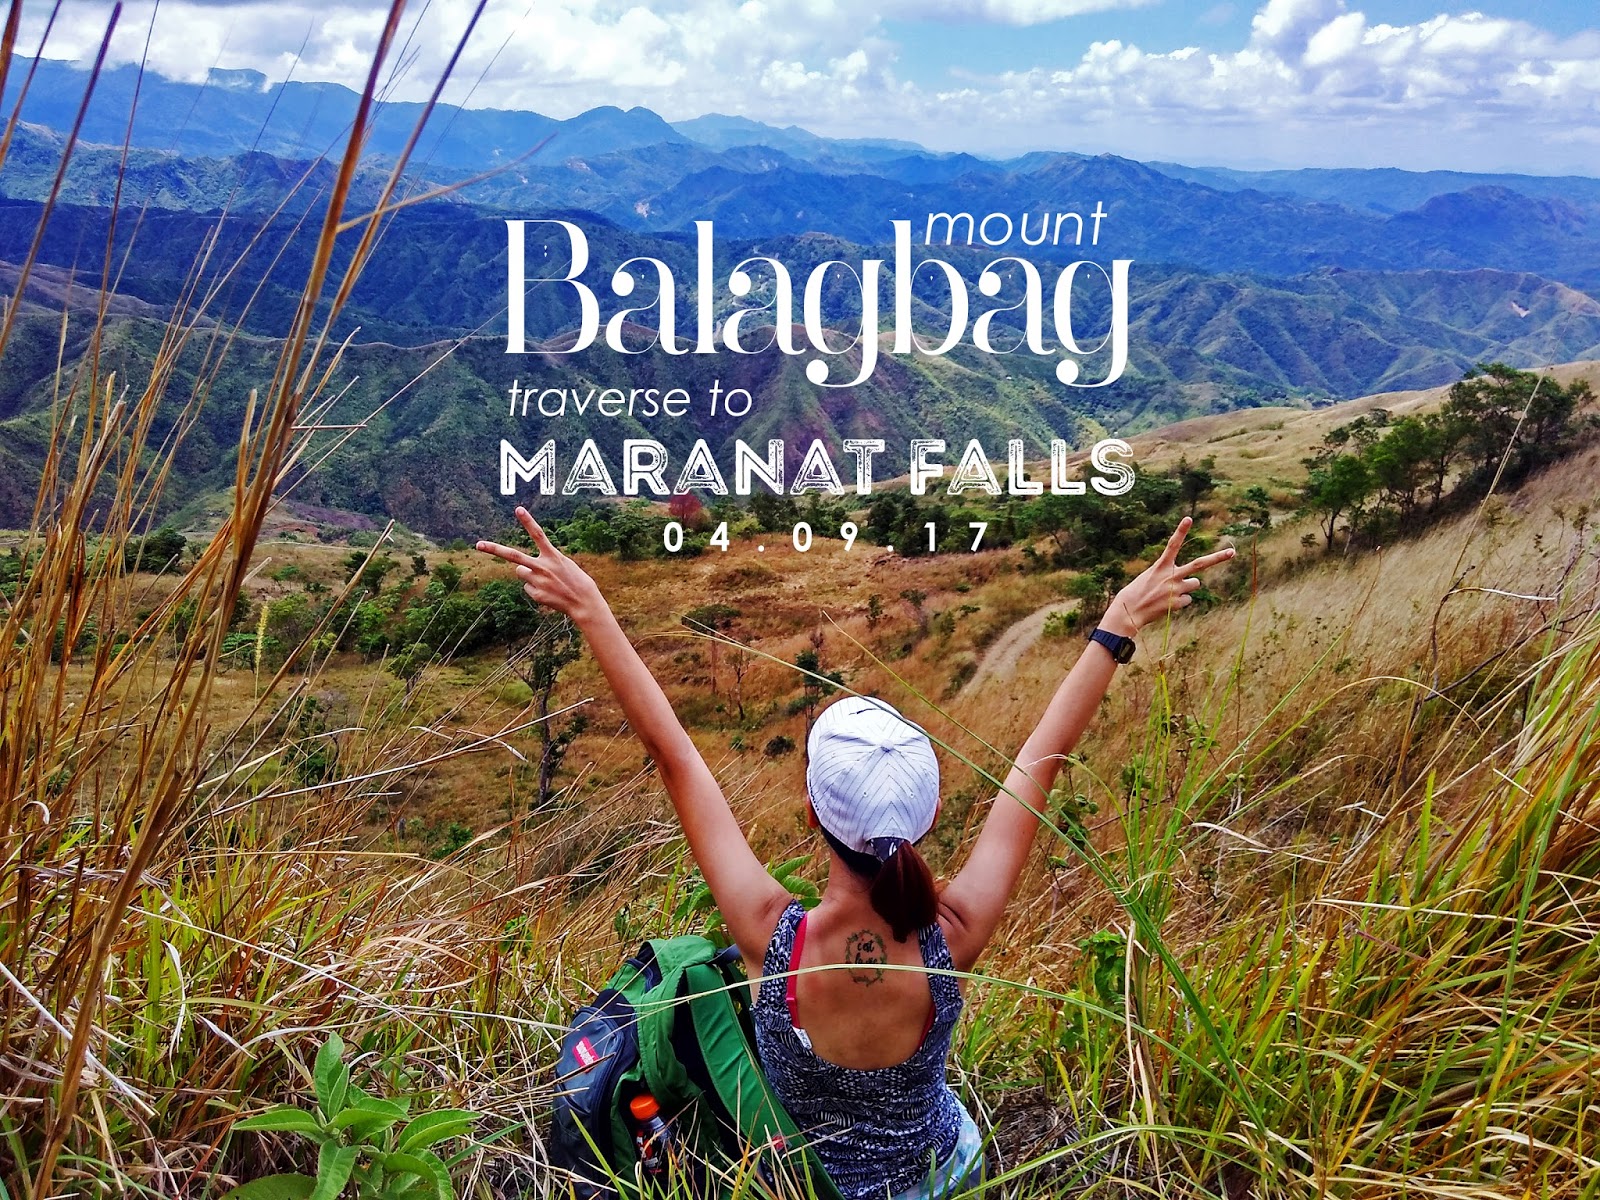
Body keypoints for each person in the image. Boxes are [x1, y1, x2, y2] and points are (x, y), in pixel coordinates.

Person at [477, 510, 1233, 1200]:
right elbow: (1042, 762)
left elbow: (673, 754)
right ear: (930, 815)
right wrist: (1114, 627)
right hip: (941, 1179)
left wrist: (590, 607)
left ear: (811, 814)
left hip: (801, 1187)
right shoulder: (953, 935)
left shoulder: (770, 937)